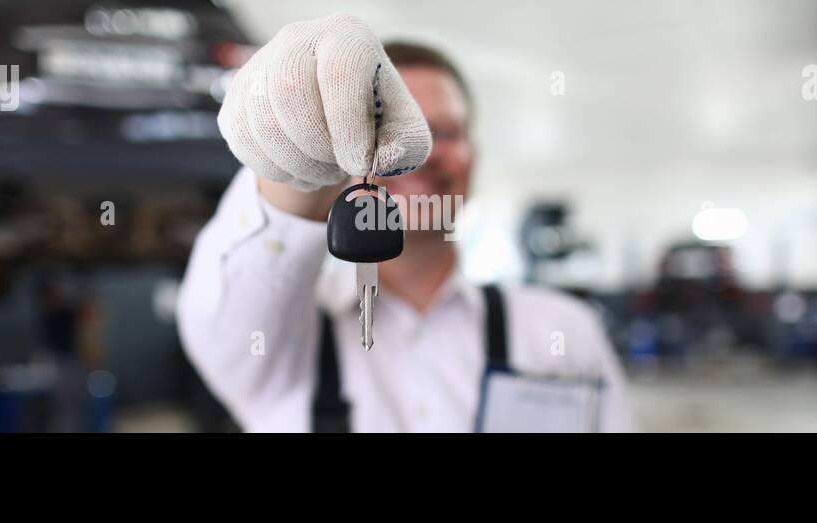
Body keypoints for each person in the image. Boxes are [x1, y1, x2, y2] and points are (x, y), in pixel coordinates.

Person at [177, 13, 632, 432]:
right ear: (343, 159)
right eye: (384, 131)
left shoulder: (562, 331)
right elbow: (237, 288)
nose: (423, 154)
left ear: (475, 157)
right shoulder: (278, 340)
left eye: (447, 132)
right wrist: (295, 165)